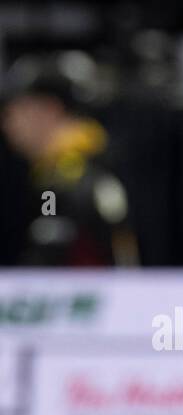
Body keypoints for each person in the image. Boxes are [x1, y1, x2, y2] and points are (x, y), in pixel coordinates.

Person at [0, 65, 137, 267]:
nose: (7, 125)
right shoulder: (46, 172)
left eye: (13, 112)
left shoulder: (88, 173)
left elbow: (122, 261)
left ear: (48, 110)